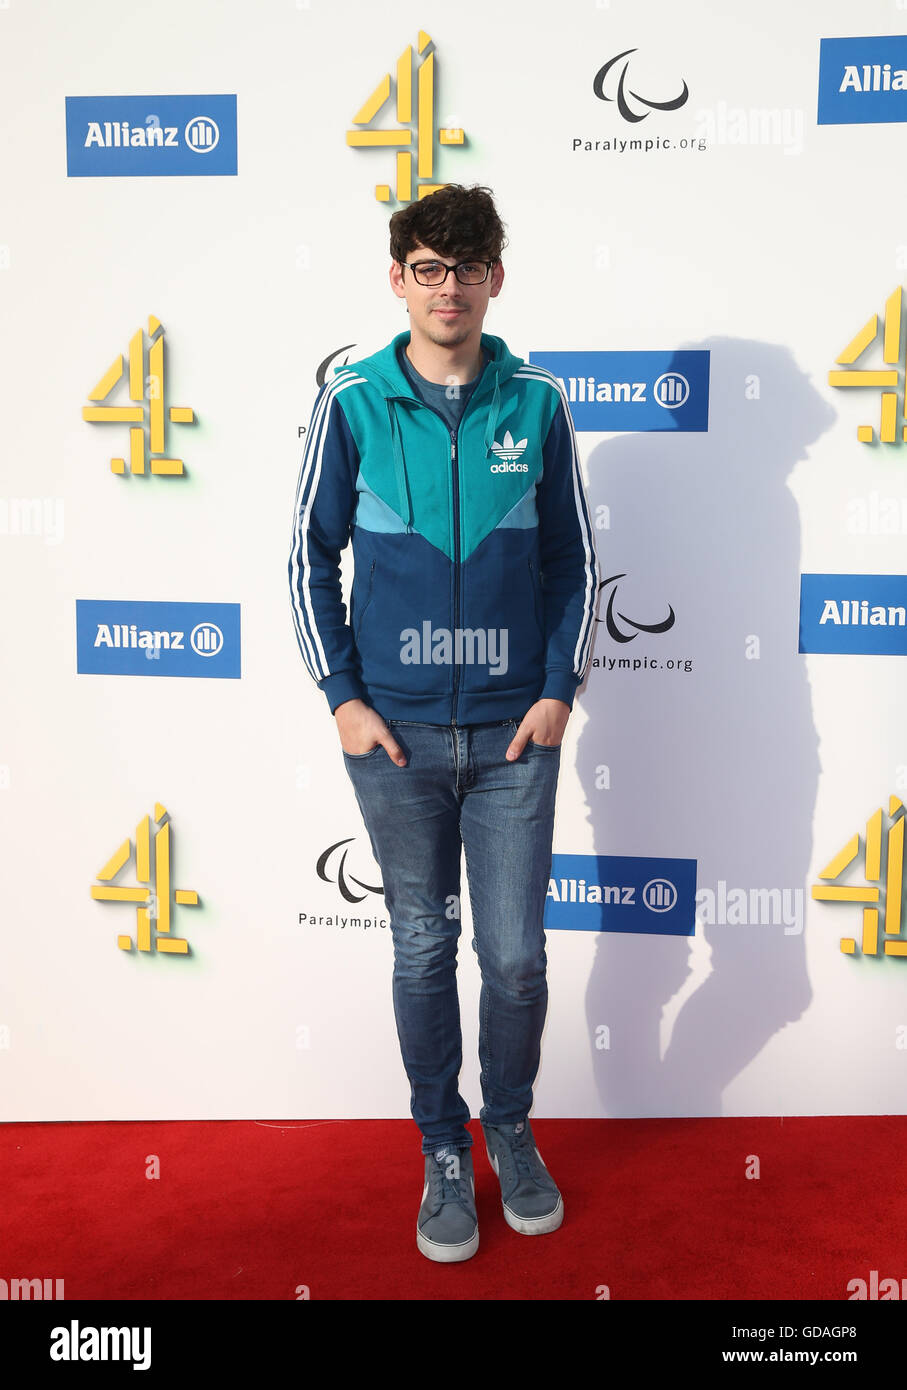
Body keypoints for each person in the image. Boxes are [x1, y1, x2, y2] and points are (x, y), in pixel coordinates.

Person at [289, 183, 600, 1262]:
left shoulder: (538, 405)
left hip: (516, 736)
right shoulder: (352, 402)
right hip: (398, 739)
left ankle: (507, 1127)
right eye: (428, 267)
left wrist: (559, 687)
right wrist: (344, 698)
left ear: (494, 279)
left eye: (467, 268)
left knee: (513, 958)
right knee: (424, 947)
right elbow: (304, 557)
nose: (449, 287)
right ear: (398, 280)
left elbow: (573, 563)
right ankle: (440, 1150)